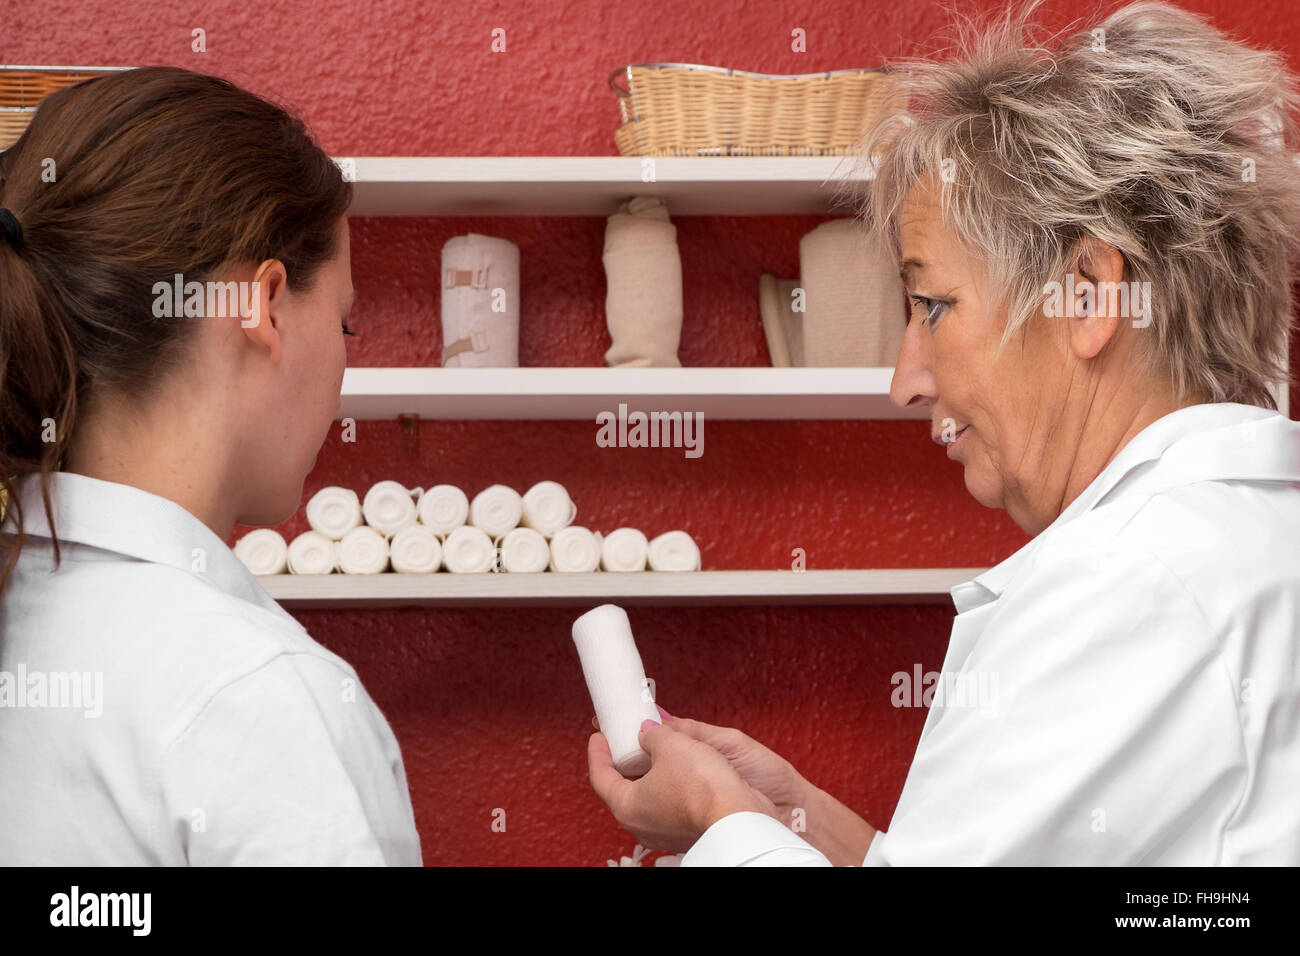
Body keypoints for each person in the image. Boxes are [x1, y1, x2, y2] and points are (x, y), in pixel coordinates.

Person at [588, 0, 1300, 865]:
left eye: (933, 305)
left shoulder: (1127, 585)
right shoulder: (1235, 535)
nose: (904, 384)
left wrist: (715, 816)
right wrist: (792, 816)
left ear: (1087, 294)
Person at [0, 66, 421, 864]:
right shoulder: (256, 695)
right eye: (344, 325)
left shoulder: (25, 606)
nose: (341, 367)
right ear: (259, 307)